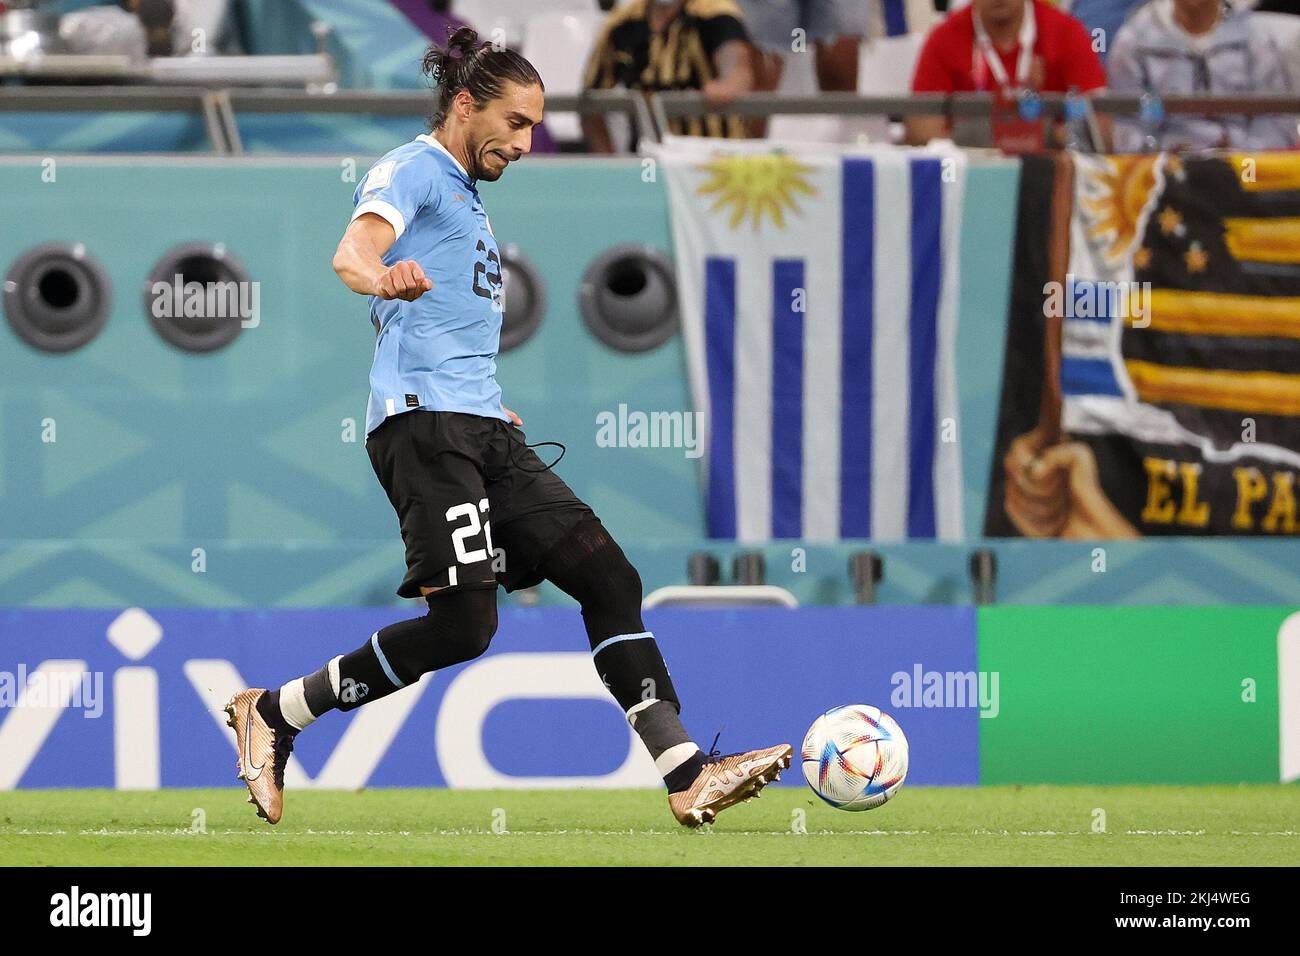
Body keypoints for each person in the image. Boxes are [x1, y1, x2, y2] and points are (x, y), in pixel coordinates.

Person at [224, 27, 792, 829]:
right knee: (464, 627)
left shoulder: (464, 194)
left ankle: (687, 773)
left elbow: (445, 320)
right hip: (426, 432)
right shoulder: (413, 169)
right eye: (517, 123)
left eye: (533, 126)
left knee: (609, 580)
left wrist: (488, 399)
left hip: (482, 425)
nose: (527, 143)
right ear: (465, 105)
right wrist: (381, 275)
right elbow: (350, 254)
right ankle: (277, 715)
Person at [906, 0, 1108, 146]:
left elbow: (1100, 130)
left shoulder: (1068, 32)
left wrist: (1046, 136)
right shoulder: (943, 38)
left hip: (1051, 176)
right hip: (972, 177)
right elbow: (921, 133)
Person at [1107, 0, 1297, 151]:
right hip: (1164, 176)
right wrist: (1161, 153)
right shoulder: (1134, 42)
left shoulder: (1255, 40)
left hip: (1244, 171)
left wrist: (1243, 150)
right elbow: (1126, 124)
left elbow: (1276, 119)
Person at [582, 0, 754, 149]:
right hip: (649, 159)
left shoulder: (713, 12)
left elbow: (736, 63)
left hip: (713, 156)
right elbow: (591, 100)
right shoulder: (622, 23)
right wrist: (611, 163)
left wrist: (729, 84)